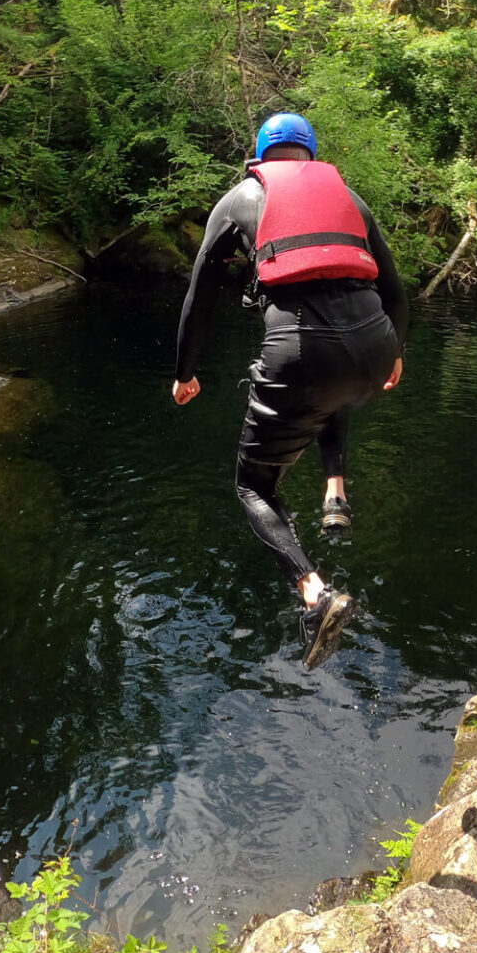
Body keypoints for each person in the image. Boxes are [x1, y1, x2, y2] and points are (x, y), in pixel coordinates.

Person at [170, 112, 408, 670]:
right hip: (373, 343)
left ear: (259, 152)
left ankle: (315, 593)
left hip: (303, 349)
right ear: (312, 154)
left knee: (253, 486)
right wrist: (397, 352)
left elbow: (199, 297)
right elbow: (395, 290)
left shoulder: (240, 199)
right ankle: (335, 494)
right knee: (333, 396)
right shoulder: (350, 199)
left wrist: (185, 371)